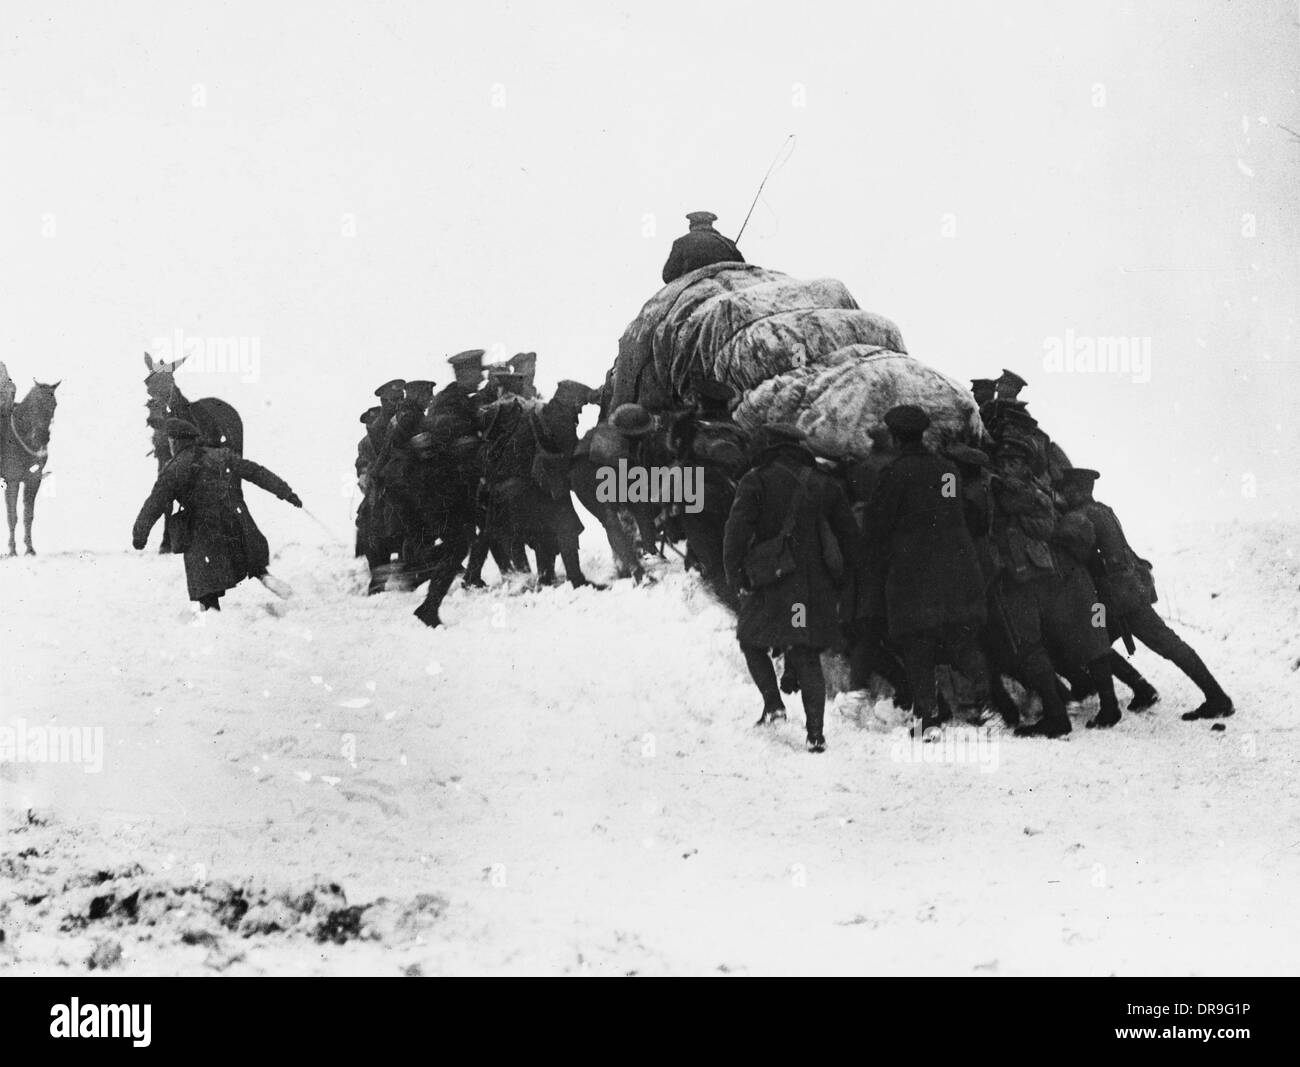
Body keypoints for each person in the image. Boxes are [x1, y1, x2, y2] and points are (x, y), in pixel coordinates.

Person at [723, 423, 858, 753]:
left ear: (770, 445)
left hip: (772, 582)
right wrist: (844, 584)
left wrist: (735, 576)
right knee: (805, 652)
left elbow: (735, 533)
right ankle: (815, 735)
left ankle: (774, 705)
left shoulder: (756, 480)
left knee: (751, 640)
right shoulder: (825, 484)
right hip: (813, 588)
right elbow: (850, 537)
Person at [1059, 468, 1233, 721]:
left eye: (1068, 490)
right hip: (1126, 593)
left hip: (1117, 600)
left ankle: (1215, 697)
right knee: (1098, 645)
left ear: (1078, 491)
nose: (1065, 494)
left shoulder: (1082, 517)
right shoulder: (1103, 511)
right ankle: (1143, 689)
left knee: (1159, 645)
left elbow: (1077, 554)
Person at [862, 406, 990, 737]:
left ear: (894, 436)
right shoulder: (948, 471)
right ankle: (991, 708)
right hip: (955, 568)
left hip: (913, 572)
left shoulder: (894, 474)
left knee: (917, 643)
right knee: (961, 642)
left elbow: (878, 526)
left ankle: (929, 718)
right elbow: (954, 510)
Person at [132, 418, 302, 610]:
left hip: (202, 531)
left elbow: (154, 505)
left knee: (206, 584)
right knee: (249, 561)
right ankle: (265, 577)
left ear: (175, 441)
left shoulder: (173, 470)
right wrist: (286, 492)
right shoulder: (221, 455)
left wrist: (140, 535)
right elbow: (255, 472)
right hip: (234, 522)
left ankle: (210, 613)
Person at [661, 211, 745, 284]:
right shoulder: (729, 243)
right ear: (711, 224)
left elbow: (668, 276)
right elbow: (742, 268)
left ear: (691, 225)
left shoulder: (681, 243)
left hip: (693, 288)